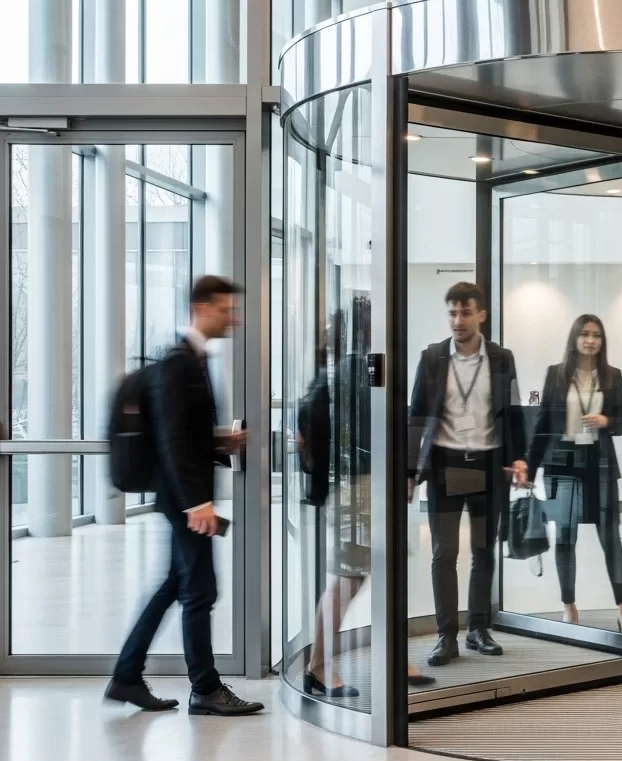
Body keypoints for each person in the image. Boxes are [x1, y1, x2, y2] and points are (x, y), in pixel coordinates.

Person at [106, 276, 263, 716]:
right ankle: (206, 689)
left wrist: (220, 444)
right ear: (201, 308)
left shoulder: (191, 361)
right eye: (225, 309)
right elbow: (173, 440)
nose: (233, 317)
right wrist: (198, 504)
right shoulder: (180, 363)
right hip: (184, 503)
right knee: (200, 592)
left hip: (182, 499)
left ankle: (126, 676)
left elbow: (184, 437)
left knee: (176, 587)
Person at [298, 307, 433, 697]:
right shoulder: (360, 368)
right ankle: (319, 666)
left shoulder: (355, 368)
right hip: (358, 488)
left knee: (381, 576)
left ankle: (388, 657)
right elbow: (384, 426)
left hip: (369, 487)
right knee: (350, 578)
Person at [409, 282, 529, 667]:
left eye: (464, 313)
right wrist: (409, 471)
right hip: (445, 465)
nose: (457, 321)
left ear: (482, 315)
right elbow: (416, 416)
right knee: (445, 554)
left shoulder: (501, 358)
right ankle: (446, 636)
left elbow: (512, 411)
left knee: (482, 551)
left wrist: (521, 458)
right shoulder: (431, 358)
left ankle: (478, 629)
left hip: (488, 466)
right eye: (452, 313)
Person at [527, 314, 622, 634]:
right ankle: (569, 606)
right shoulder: (556, 375)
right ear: (574, 338)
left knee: (611, 539)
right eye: (585, 334)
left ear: (603, 341)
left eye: (597, 335)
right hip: (562, 463)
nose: (590, 340)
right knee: (566, 538)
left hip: (599, 462)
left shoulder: (612, 376)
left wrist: (606, 422)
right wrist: (529, 469)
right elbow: (543, 425)